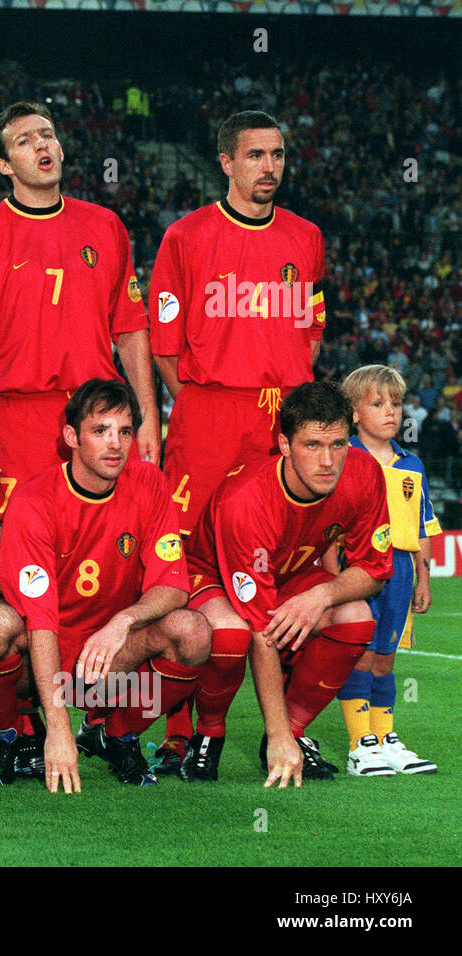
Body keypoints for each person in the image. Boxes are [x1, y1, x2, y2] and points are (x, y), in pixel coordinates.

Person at [147, 109, 328, 771]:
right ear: (225, 162)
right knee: (187, 567)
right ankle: (179, 731)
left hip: (281, 422)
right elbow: (165, 347)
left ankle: (291, 729)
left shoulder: (306, 237)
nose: (269, 168)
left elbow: (309, 331)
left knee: (287, 565)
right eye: (254, 155)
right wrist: (198, 404)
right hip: (209, 417)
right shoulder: (187, 237)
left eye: (277, 155)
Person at [0, 379, 209, 790]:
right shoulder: (33, 501)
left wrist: (122, 623)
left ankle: (116, 734)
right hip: (39, 662)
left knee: (194, 631)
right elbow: (39, 622)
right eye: (100, 431)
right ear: (71, 437)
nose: (115, 444)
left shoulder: (150, 484)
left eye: (125, 431)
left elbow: (173, 587)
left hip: (110, 660)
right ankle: (6, 736)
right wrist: (59, 727)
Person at [0, 100, 157, 527]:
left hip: (97, 411)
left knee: (109, 556)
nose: (42, 144)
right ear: (5, 165)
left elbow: (130, 330)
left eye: (47, 135)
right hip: (16, 420)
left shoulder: (105, 225)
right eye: (25, 140)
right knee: (30, 565)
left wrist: (146, 417)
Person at [178, 381, 392, 786]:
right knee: (232, 634)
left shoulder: (364, 474)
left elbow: (375, 569)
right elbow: (262, 631)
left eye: (339, 444)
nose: (328, 460)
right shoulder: (245, 501)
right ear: (284, 444)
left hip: (291, 574)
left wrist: (321, 594)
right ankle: (207, 734)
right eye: (312, 445)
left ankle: (295, 731)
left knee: (356, 617)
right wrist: (275, 735)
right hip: (211, 575)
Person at [334, 366, 440, 775]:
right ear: (355, 413)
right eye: (377, 404)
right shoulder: (345, 457)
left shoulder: (412, 463)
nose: (390, 411)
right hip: (359, 565)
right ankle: (360, 745)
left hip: (400, 570)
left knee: (386, 657)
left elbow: (422, 527)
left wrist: (424, 578)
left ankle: (385, 737)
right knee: (360, 654)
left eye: (395, 403)